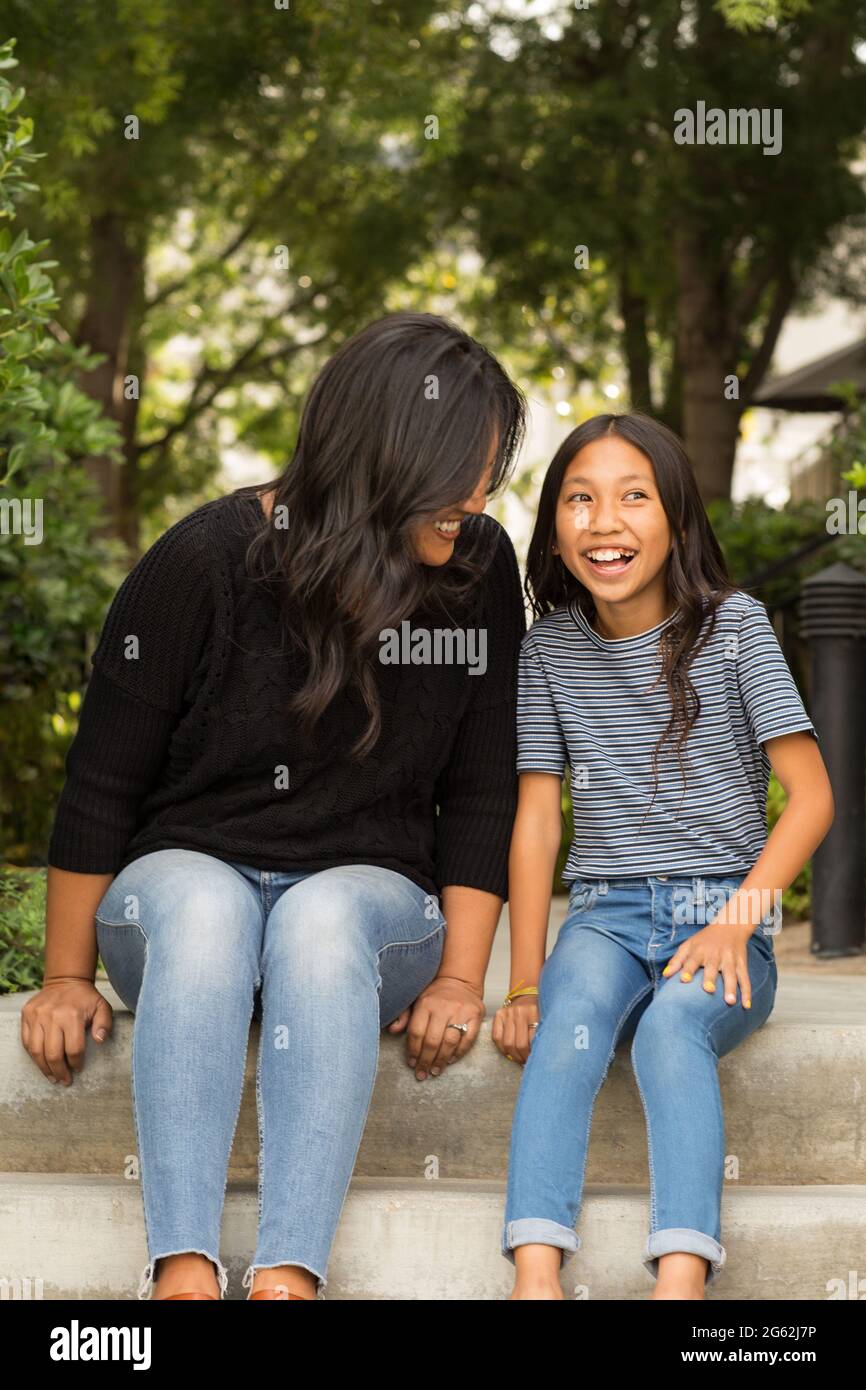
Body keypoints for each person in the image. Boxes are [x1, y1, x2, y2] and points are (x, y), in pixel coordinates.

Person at [21, 311, 528, 1301]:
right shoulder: (204, 560)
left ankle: (289, 1274)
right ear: (390, 455)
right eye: (465, 464)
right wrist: (65, 973)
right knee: (208, 908)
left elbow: (481, 786)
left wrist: (463, 979)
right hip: (180, 890)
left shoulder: (476, 572)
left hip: (366, 905)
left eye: (489, 466)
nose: (477, 494)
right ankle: (181, 1271)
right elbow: (101, 781)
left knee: (321, 913)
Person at [493, 411, 834, 1300]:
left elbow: (813, 797)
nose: (604, 521)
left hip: (723, 911)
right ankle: (536, 1276)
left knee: (676, 1026)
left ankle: (679, 1282)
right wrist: (525, 980)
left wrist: (736, 924)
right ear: (556, 531)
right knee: (569, 1029)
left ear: (676, 520)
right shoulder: (548, 653)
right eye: (579, 500)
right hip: (603, 914)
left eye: (633, 497)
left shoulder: (736, 627)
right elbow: (537, 822)